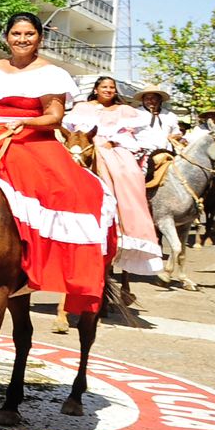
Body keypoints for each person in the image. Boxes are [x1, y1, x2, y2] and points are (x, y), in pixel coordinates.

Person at [0, 12, 115, 315]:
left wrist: (25, 121)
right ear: (6, 37)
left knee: (66, 191)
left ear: (39, 38)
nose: (22, 39)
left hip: (29, 136)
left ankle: (36, 262)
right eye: (16, 34)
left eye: (29, 34)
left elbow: (54, 116)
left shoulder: (51, 73)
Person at [64, 75, 165, 280]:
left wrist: (116, 139)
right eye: (104, 87)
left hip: (114, 149)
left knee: (128, 173)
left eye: (112, 87)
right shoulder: (82, 107)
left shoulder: (125, 111)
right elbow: (72, 131)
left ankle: (126, 224)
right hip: (85, 146)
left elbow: (141, 135)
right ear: (96, 89)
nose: (109, 90)